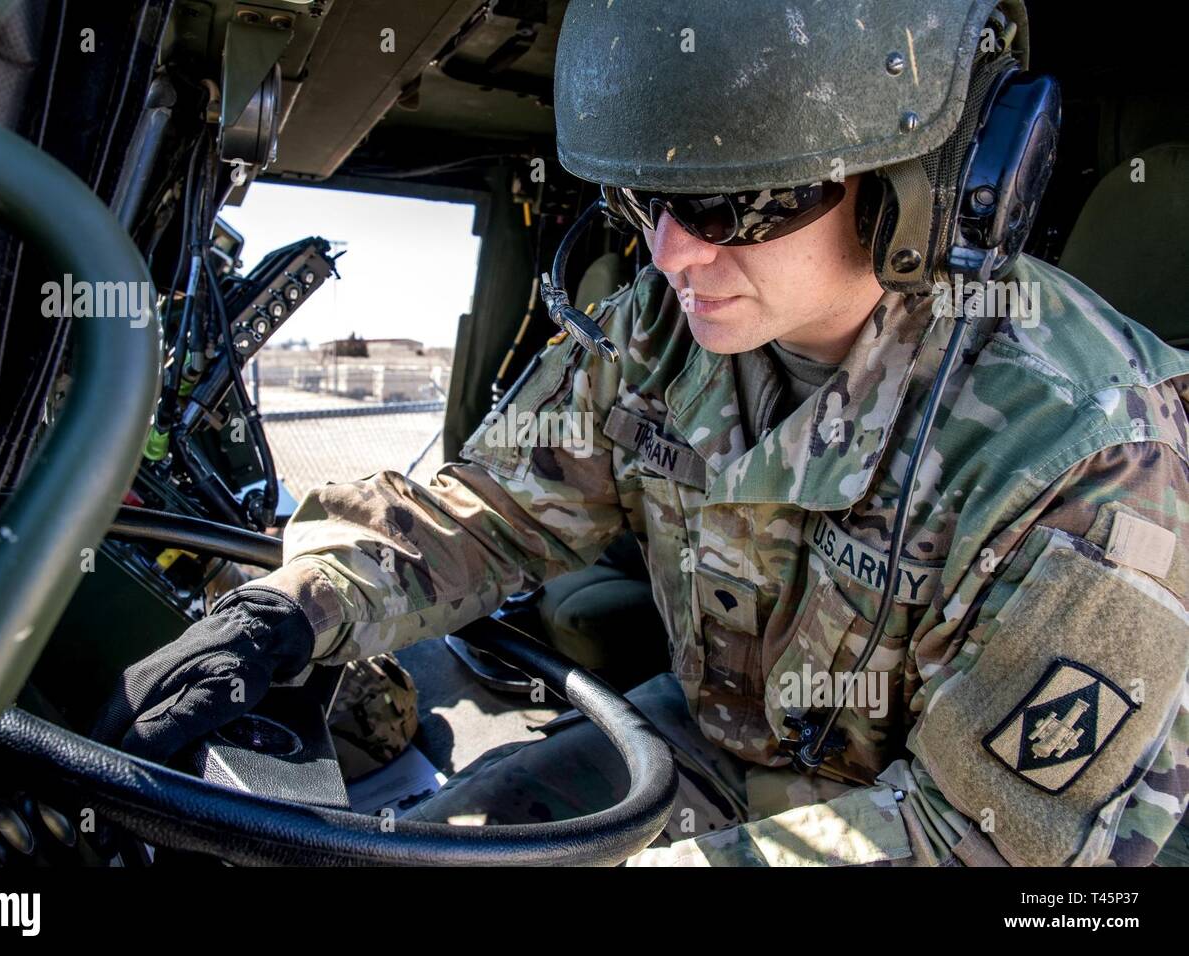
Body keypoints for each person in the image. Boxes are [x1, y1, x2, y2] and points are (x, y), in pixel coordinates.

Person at [94, 0, 1189, 866]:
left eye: (727, 205)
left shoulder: (1094, 450)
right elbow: (500, 509)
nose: (670, 254)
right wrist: (296, 606)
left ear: (928, 189)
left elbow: (979, 839)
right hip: (704, 745)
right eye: (646, 200)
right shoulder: (660, 330)